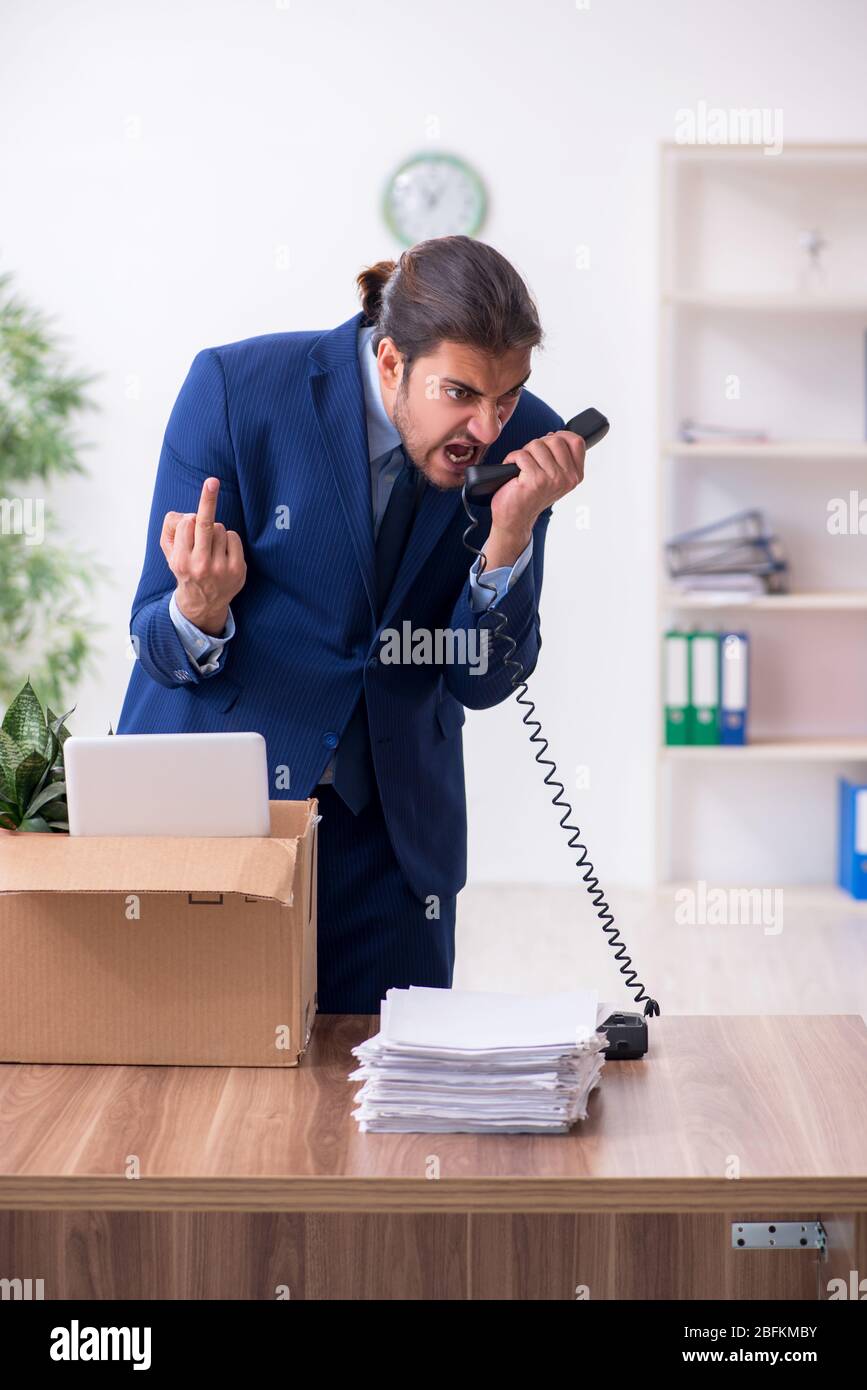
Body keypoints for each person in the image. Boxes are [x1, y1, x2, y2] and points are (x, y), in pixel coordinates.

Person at [117, 235, 585, 1012]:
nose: (488, 427)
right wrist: (200, 608)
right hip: (222, 820)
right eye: (461, 394)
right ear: (393, 361)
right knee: (194, 1097)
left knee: (385, 1106)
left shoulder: (526, 444)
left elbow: (484, 682)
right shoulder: (240, 387)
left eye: (505, 398)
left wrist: (509, 536)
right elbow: (154, 643)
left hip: (395, 845)